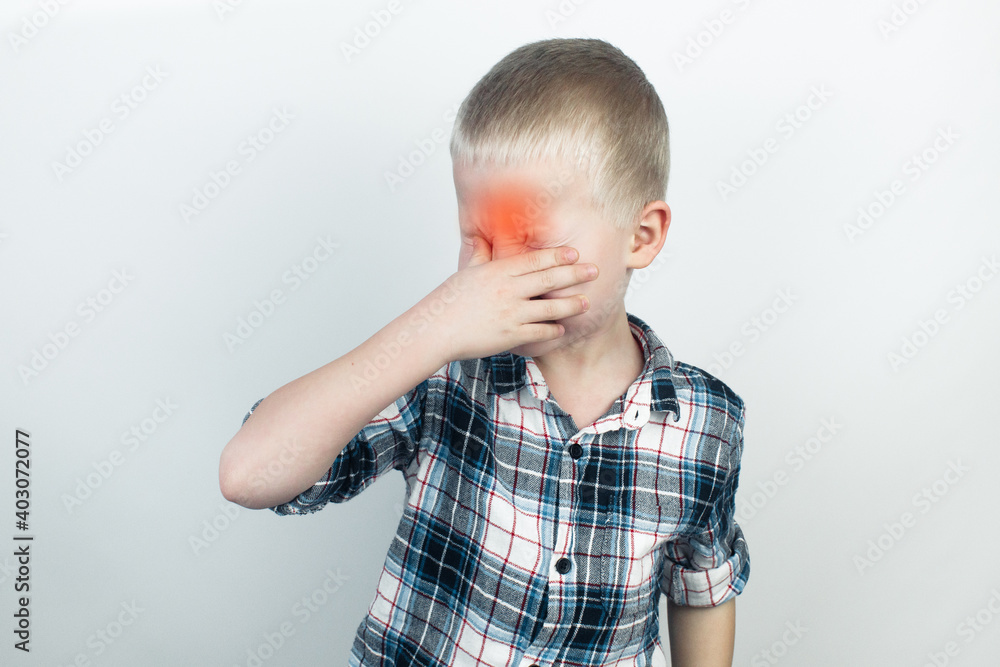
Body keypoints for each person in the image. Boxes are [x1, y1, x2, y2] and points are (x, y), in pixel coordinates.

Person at [220, 37, 750, 667]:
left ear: (641, 236)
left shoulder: (706, 424)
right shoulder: (444, 375)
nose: (495, 272)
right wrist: (435, 325)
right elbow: (248, 475)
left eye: (530, 239)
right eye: (477, 238)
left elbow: (702, 590)